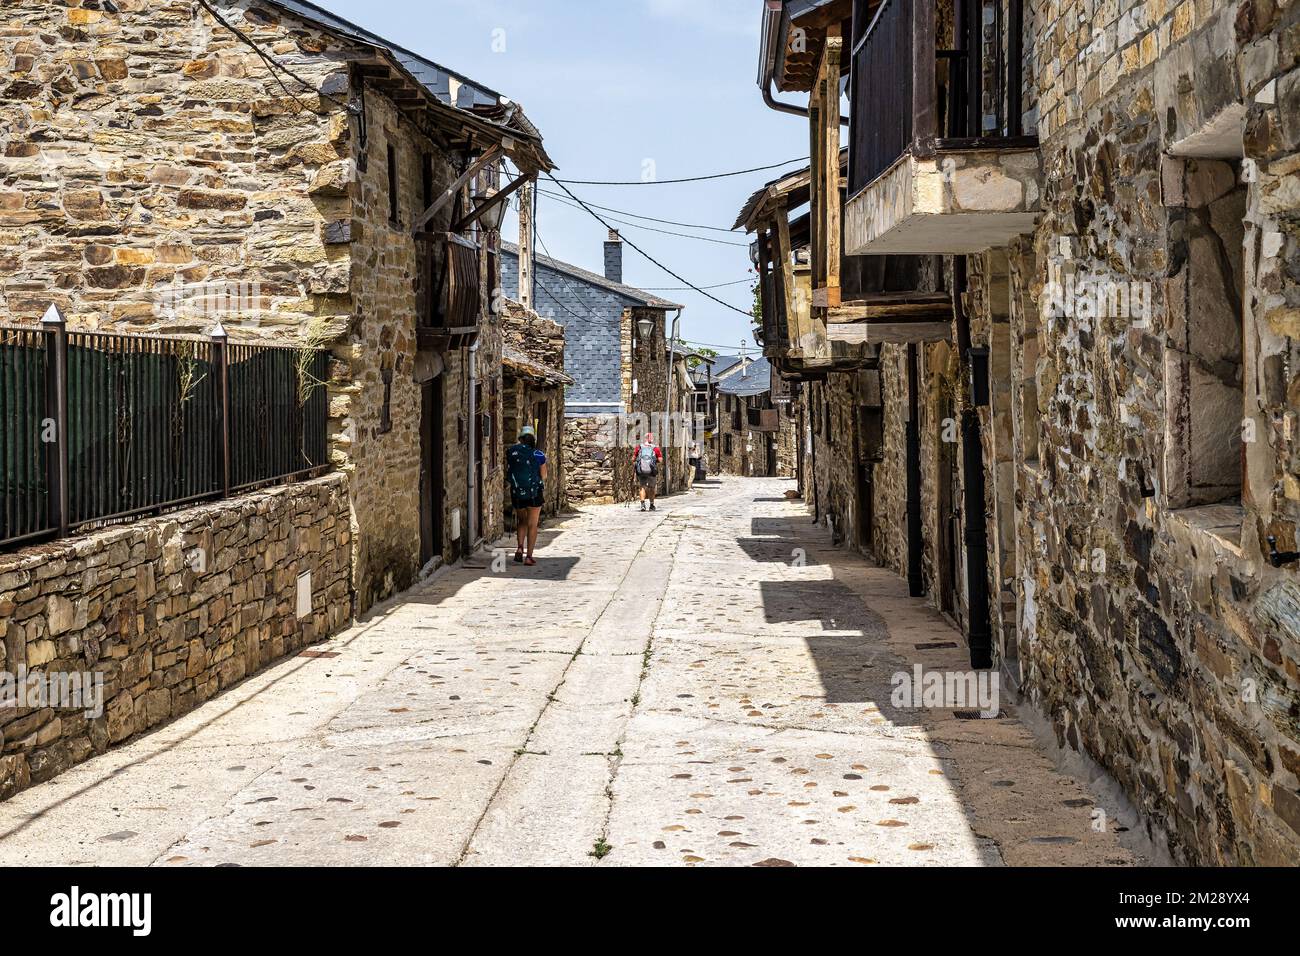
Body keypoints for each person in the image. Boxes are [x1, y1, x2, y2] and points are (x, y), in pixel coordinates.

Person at [506, 425, 547, 566]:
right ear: (533, 439)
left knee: (521, 521)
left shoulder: (512, 452)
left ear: (520, 439)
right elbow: (544, 475)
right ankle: (529, 557)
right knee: (532, 524)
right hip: (534, 494)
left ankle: (519, 548)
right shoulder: (538, 454)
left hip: (517, 493)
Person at [632, 432, 662, 511]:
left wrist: (637, 462)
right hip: (651, 471)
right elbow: (660, 460)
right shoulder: (655, 448)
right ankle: (651, 505)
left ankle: (642, 505)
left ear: (645, 438)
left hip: (641, 471)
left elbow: (633, 458)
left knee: (642, 487)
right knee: (651, 488)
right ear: (652, 439)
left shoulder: (639, 447)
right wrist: (654, 461)